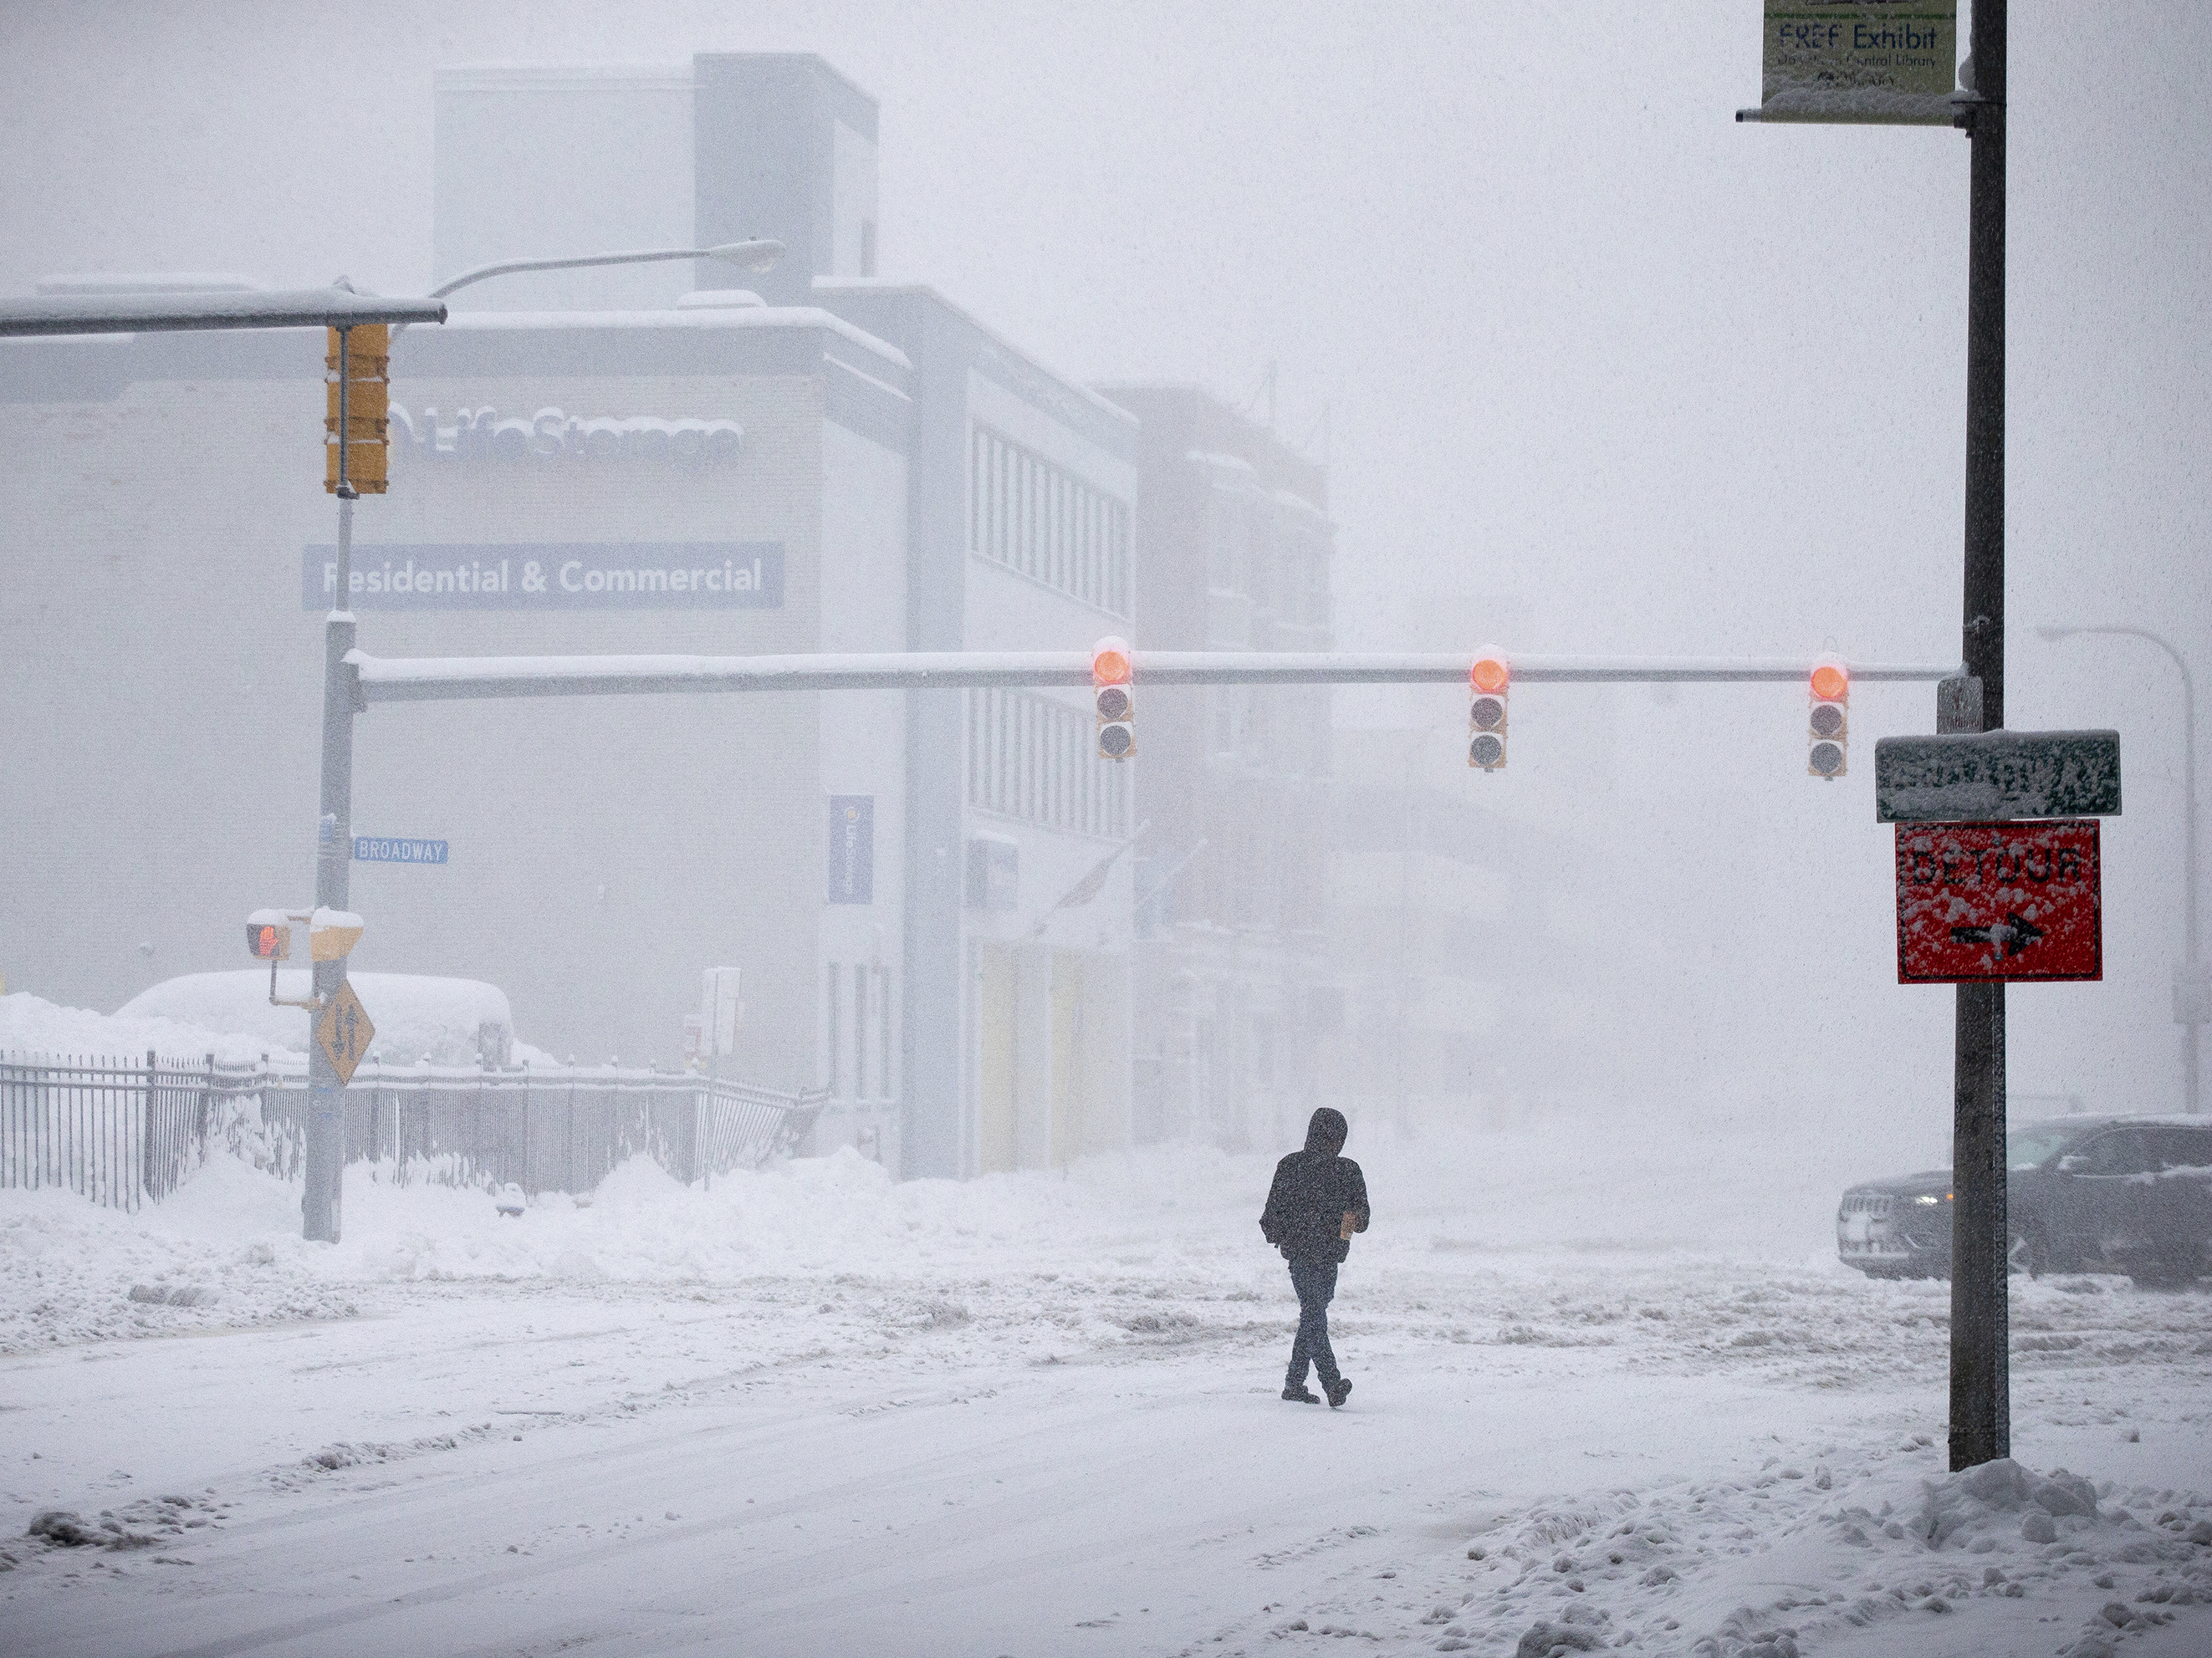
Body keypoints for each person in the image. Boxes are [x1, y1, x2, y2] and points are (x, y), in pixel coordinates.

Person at [1259, 1106, 1369, 1407]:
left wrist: (1285, 1234)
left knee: (1312, 1315)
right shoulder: (1342, 1170)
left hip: (1318, 1255)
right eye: (1335, 1137)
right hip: (1311, 1255)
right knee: (1315, 1313)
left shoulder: (1297, 1167)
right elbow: (1271, 1217)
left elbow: (1270, 1218)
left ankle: (1294, 1384)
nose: (1336, 1144)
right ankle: (1332, 1382)